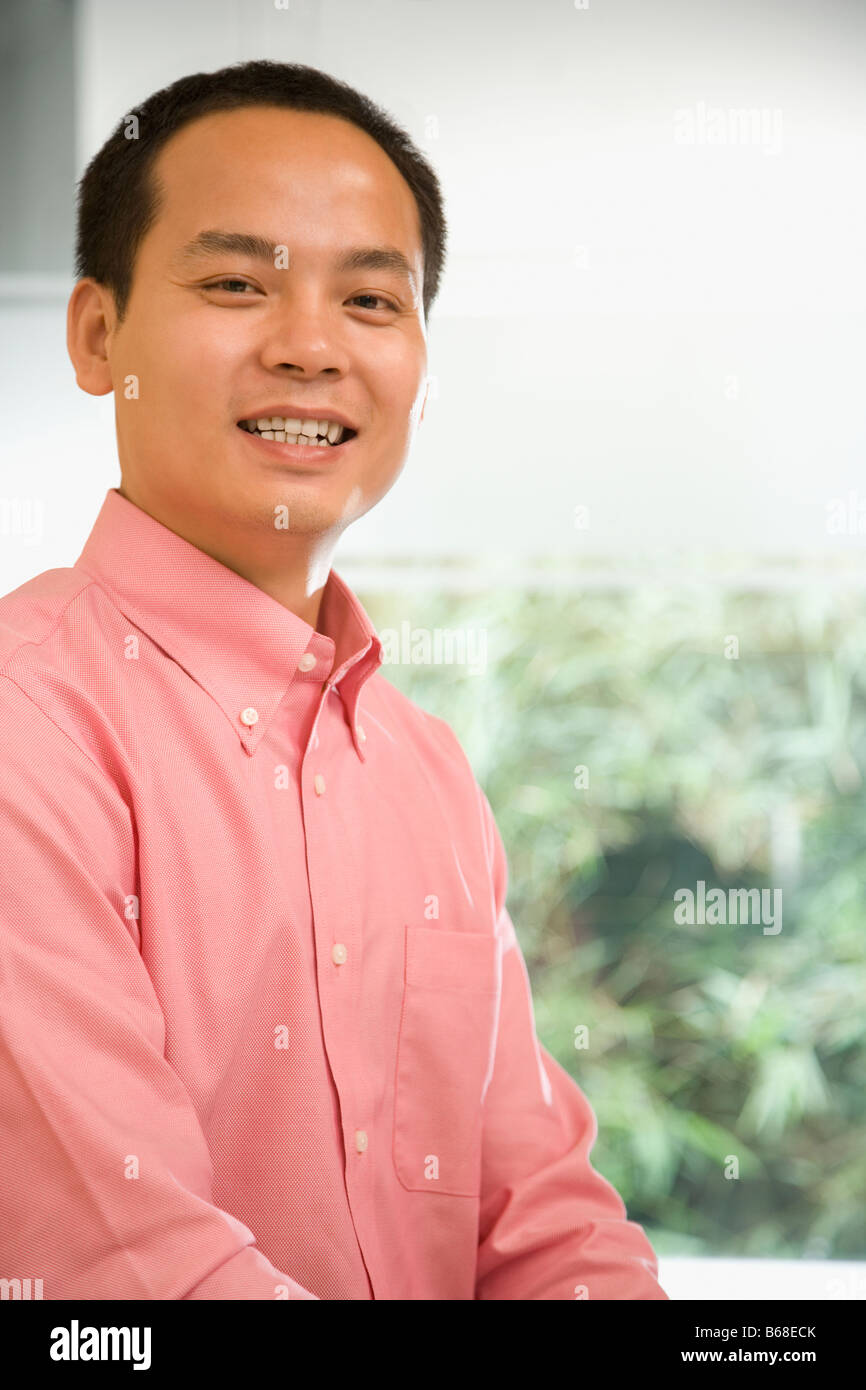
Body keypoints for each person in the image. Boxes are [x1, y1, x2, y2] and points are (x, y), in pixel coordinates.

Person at [0, 60, 667, 1300]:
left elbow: (542, 1221)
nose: (310, 346)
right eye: (235, 283)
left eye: (370, 300)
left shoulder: (425, 772)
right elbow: (127, 1259)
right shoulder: (23, 723)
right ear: (100, 335)